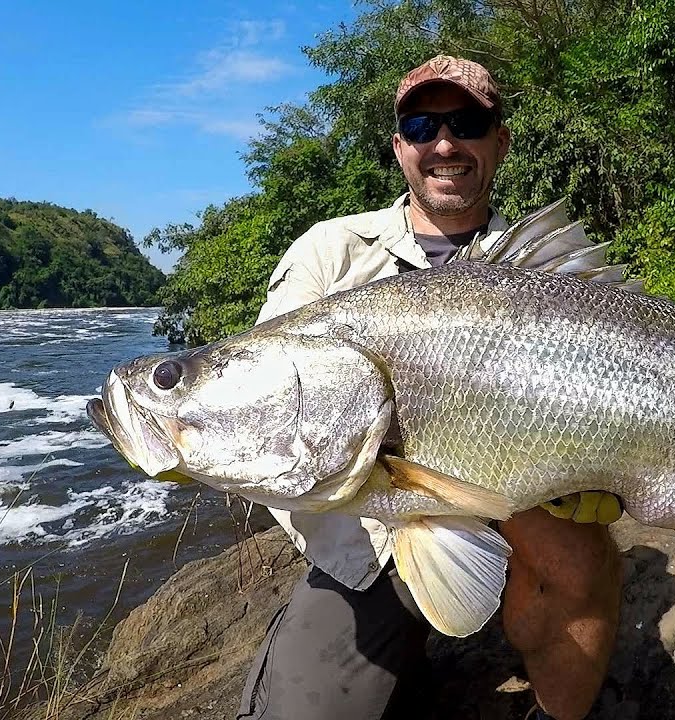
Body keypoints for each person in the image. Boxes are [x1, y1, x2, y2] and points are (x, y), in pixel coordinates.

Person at [237, 55, 624, 720]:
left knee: (584, 564)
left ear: (498, 140)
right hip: (368, 534)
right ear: (399, 148)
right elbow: (269, 393)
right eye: (421, 125)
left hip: (516, 503)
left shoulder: (549, 272)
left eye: (466, 122)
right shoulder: (332, 252)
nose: (444, 144)